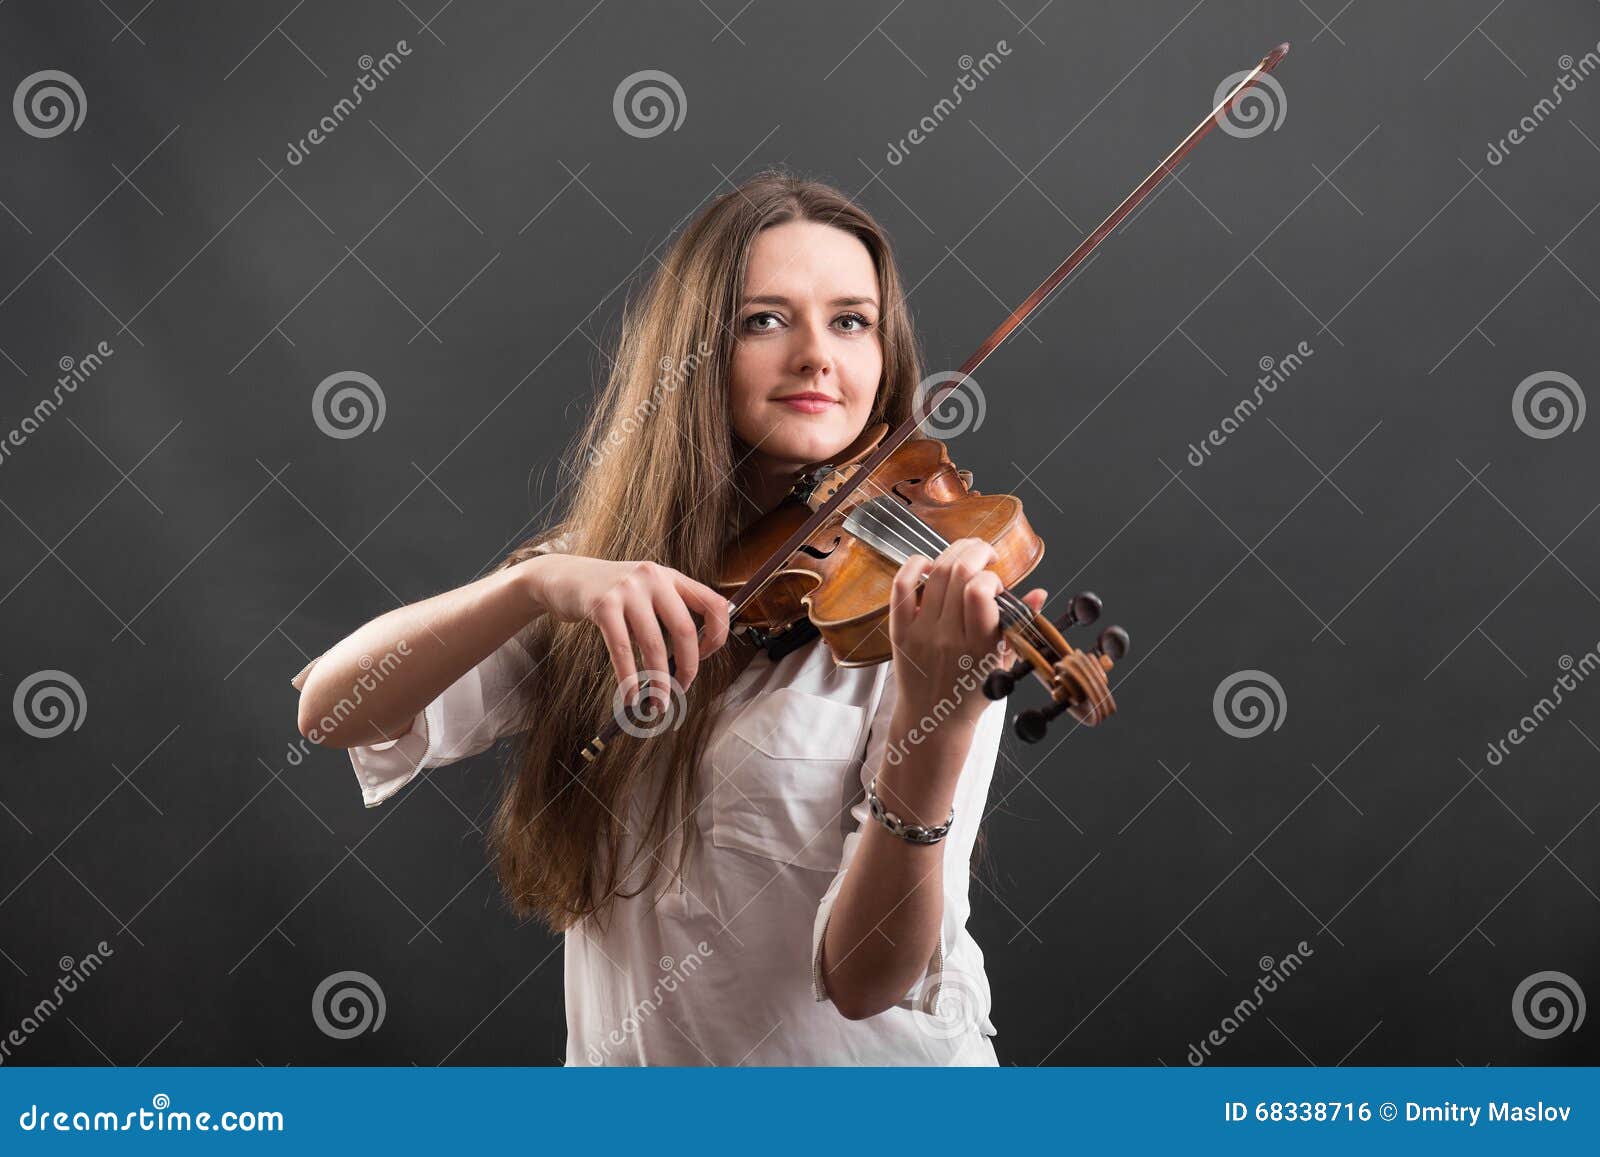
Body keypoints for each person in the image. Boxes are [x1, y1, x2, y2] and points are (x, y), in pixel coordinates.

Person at [290, 171, 1047, 1066]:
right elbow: (333, 712)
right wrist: (530, 586)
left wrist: (937, 720)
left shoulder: (922, 616)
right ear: (692, 355)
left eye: (852, 321)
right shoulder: (610, 578)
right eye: (765, 320)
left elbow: (867, 979)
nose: (817, 356)